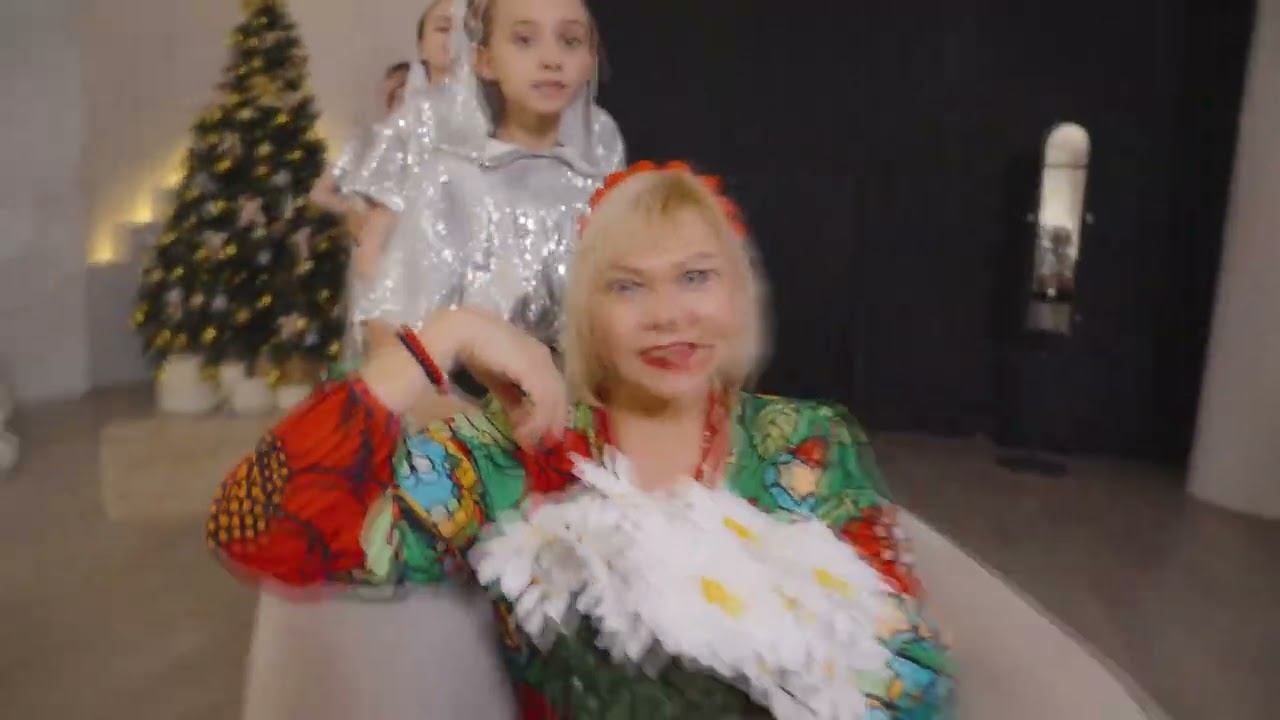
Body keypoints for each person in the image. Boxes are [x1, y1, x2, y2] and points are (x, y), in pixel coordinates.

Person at [210, 162, 954, 718]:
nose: (669, 314)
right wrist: (445, 337)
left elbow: (910, 673)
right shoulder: (513, 453)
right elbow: (258, 526)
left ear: (736, 296)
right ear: (585, 315)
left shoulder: (810, 444)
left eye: (696, 277)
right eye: (627, 286)